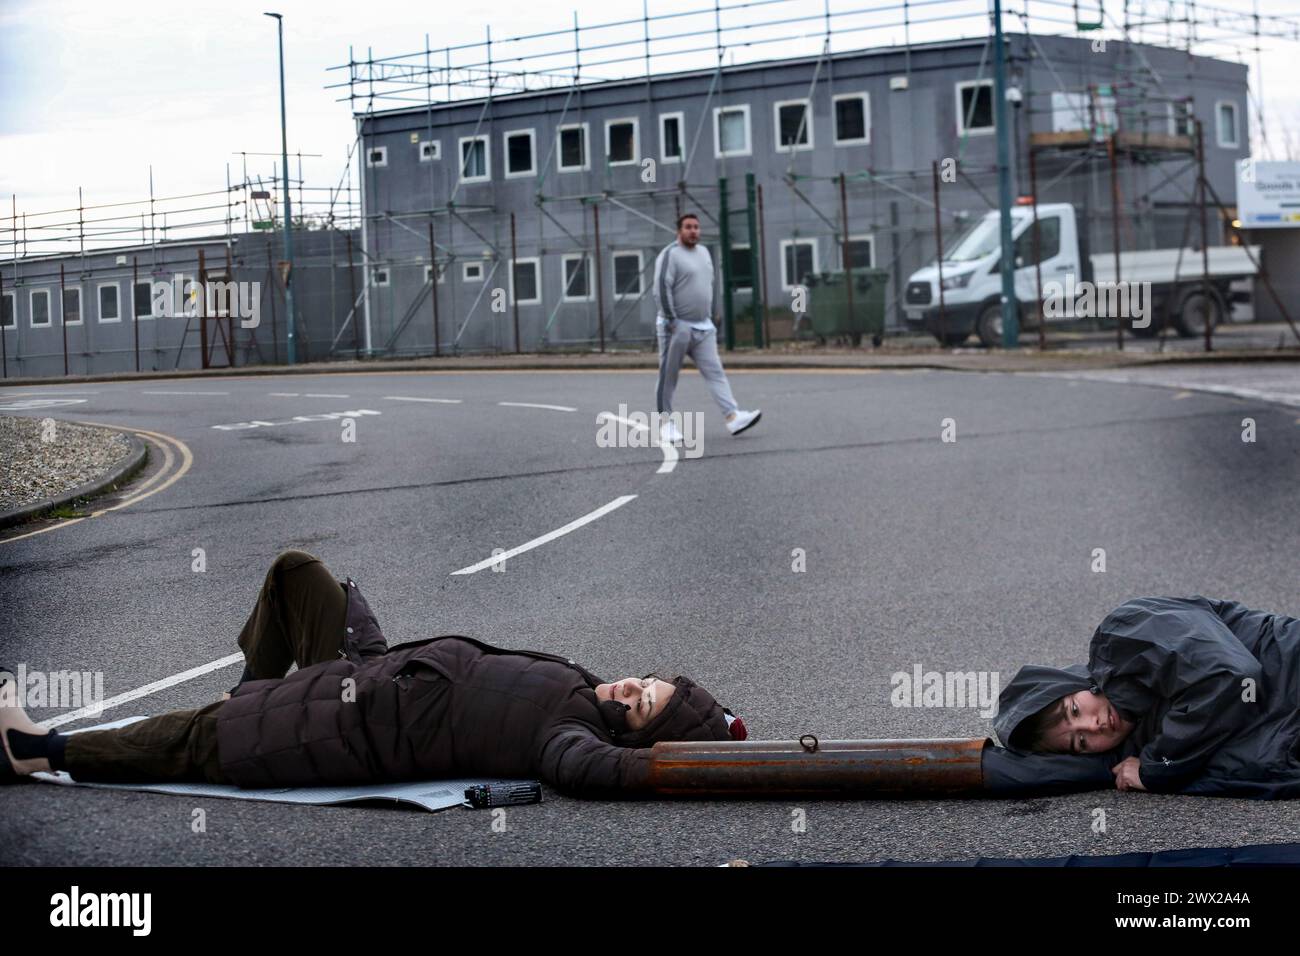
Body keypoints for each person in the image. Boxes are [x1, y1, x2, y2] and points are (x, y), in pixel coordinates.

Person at [1, 550, 746, 797]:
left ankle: (34, 752)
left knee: (190, 739)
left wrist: (680, 768)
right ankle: (251, 693)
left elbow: (596, 776)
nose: (628, 688)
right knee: (300, 572)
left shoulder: (573, 739)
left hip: (354, 722)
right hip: (378, 672)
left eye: (640, 706)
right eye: (644, 682)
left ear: (633, 738)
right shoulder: (584, 687)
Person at [985, 594, 1300, 799]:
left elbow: (1235, 677)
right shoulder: (1129, 752)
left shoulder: (1127, 633)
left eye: (1075, 710)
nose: (1094, 726)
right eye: (1080, 742)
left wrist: (1158, 768)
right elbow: (1039, 770)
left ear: (1075, 683)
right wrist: (942, 767)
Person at [653, 212, 761, 444]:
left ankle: (733, 417)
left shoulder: (703, 253)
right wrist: (673, 321)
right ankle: (666, 424)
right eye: (688, 227)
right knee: (668, 376)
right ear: (679, 231)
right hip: (677, 327)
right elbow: (662, 289)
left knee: (715, 373)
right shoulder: (669, 255)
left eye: (697, 227)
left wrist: (711, 314)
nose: (694, 231)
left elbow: (706, 286)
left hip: (703, 327)